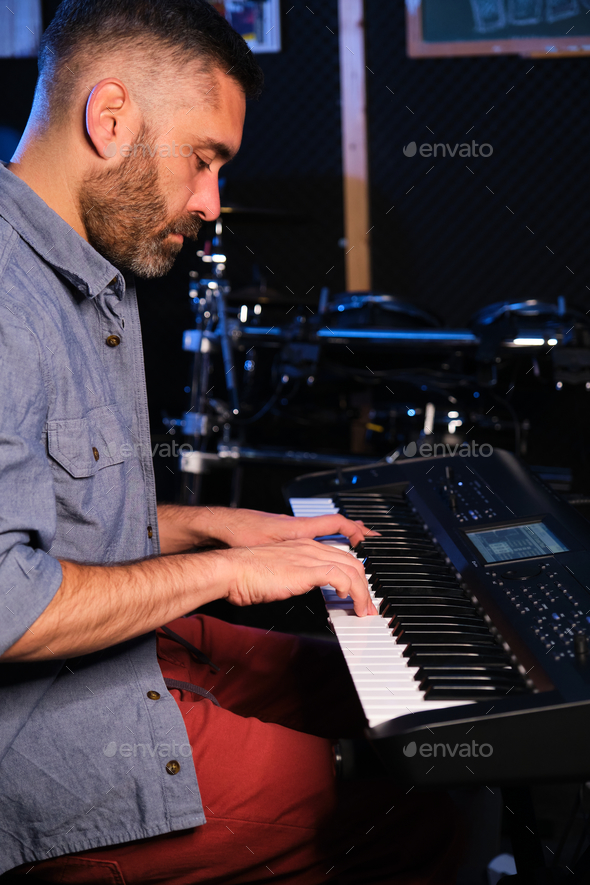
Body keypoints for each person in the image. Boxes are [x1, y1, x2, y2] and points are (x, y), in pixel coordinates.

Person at [0, 1, 464, 882]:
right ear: (109, 117)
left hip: (118, 658)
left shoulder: (93, 267)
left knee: (393, 702)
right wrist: (226, 573)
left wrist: (221, 526)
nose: (212, 201)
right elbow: (8, 603)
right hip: (38, 746)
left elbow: (52, 513)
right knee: (410, 792)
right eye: (203, 159)